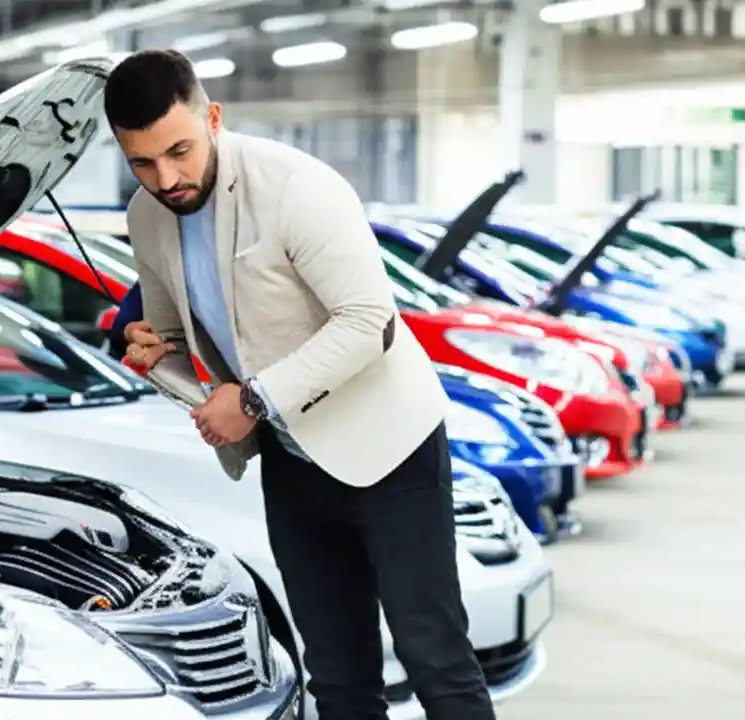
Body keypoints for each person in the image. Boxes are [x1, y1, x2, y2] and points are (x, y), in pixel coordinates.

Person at [104, 49, 496, 720]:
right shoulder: (148, 216)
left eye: (179, 151)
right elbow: (168, 339)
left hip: (388, 449)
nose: (166, 178)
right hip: (291, 461)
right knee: (337, 677)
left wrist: (252, 399)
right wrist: (146, 350)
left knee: (436, 659)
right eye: (142, 162)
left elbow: (369, 320)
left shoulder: (294, 186)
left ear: (213, 118)